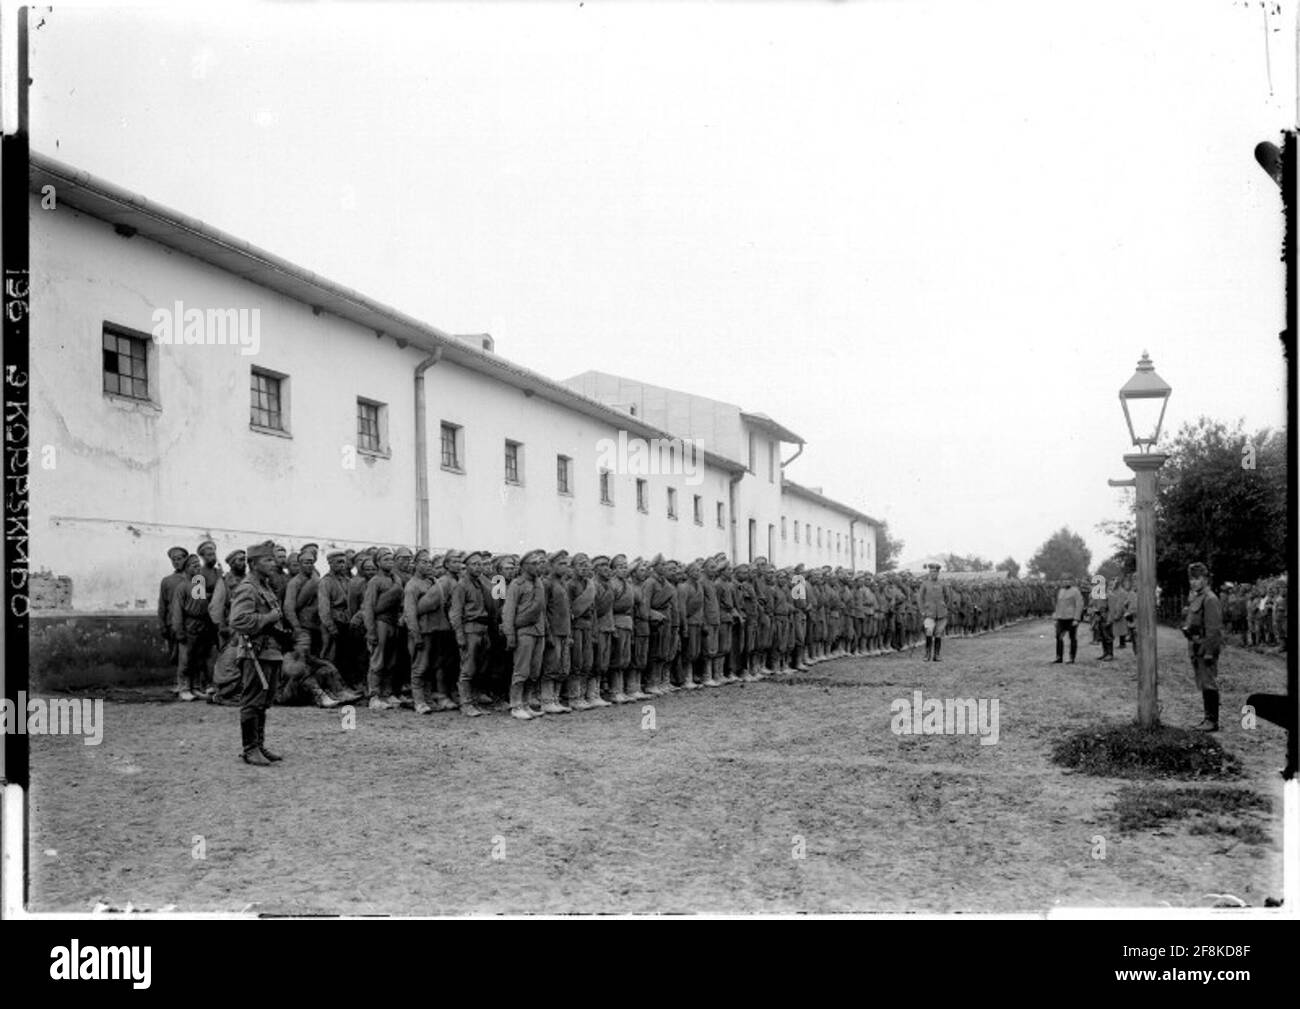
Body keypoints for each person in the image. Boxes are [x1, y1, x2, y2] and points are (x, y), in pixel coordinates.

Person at [228, 540, 290, 766]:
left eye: (273, 559)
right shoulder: (248, 588)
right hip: (255, 652)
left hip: (271, 652)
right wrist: (268, 619)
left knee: (264, 701)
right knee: (252, 701)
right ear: (253, 563)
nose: (273, 563)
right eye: (268, 559)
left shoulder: (264, 586)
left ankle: (259, 744)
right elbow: (238, 620)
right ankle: (250, 749)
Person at [502, 548, 548, 720]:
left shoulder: (539, 583)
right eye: (534, 564)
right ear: (524, 566)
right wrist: (510, 635)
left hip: (539, 632)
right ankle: (516, 705)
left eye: (539, 563)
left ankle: (527, 703)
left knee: (535, 671)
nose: (538, 566)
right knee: (521, 670)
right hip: (524, 632)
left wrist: (545, 631)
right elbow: (508, 612)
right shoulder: (516, 585)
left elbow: (542, 611)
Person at [1183, 562, 1223, 731]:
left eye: (1197, 578)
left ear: (1205, 579)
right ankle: (1207, 717)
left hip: (1205, 647)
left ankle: (1212, 721)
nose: (1194, 582)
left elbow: (1214, 630)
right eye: (1191, 579)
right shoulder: (1196, 597)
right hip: (1196, 645)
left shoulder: (1210, 599)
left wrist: (1208, 653)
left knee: (1208, 682)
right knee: (1203, 682)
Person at [158, 547, 190, 666]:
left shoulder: (195, 578)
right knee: (178, 657)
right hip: (174, 625)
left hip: (192, 624)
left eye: (179, 559)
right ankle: (181, 683)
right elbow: (162, 604)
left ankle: (197, 683)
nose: (176, 562)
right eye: (173, 560)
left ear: (186, 559)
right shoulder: (167, 581)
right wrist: (162, 625)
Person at [917, 561, 952, 661]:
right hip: (929, 613)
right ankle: (927, 654)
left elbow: (948, 596)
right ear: (929, 573)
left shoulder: (942, 584)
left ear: (938, 573)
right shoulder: (925, 584)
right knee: (929, 631)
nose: (933, 574)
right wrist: (922, 610)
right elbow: (919, 598)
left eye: (935, 572)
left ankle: (936, 655)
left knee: (938, 633)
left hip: (941, 613)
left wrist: (945, 606)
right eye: (931, 572)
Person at [1051, 575, 1084, 664]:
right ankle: (1059, 657)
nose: (1066, 582)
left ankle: (1071, 657)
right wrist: (1056, 618)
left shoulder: (1075, 591)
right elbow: (1058, 605)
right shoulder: (1061, 591)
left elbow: (1079, 605)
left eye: (1068, 580)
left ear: (1071, 582)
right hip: (1061, 618)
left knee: (1072, 638)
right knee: (1058, 637)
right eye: (1064, 581)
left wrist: (1076, 619)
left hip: (1071, 618)